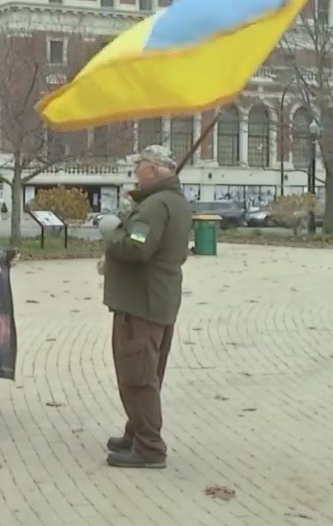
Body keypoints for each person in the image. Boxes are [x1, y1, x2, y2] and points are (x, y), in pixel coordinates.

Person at [96, 145, 192, 469]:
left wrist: (111, 235)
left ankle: (149, 446)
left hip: (140, 303)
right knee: (147, 371)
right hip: (158, 299)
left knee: (137, 376)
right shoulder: (174, 202)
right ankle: (136, 431)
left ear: (151, 169)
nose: (135, 173)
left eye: (138, 167)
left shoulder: (155, 205)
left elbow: (137, 248)